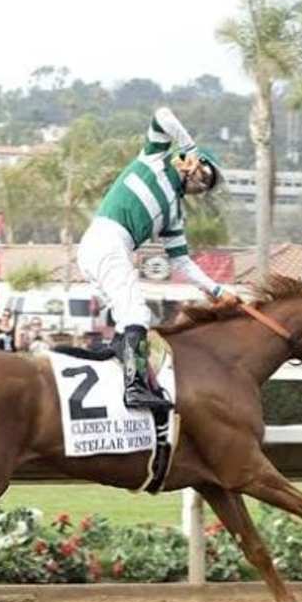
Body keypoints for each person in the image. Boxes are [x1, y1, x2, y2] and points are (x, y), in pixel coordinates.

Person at [77, 106, 234, 410]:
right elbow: (162, 115)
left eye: (207, 186)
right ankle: (134, 389)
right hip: (106, 239)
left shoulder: (174, 214)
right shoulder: (155, 158)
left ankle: (117, 382)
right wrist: (189, 146)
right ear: (192, 163)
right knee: (138, 313)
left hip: (107, 248)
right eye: (204, 175)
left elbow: (181, 262)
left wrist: (215, 289)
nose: (202, 186)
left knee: (126, 321)